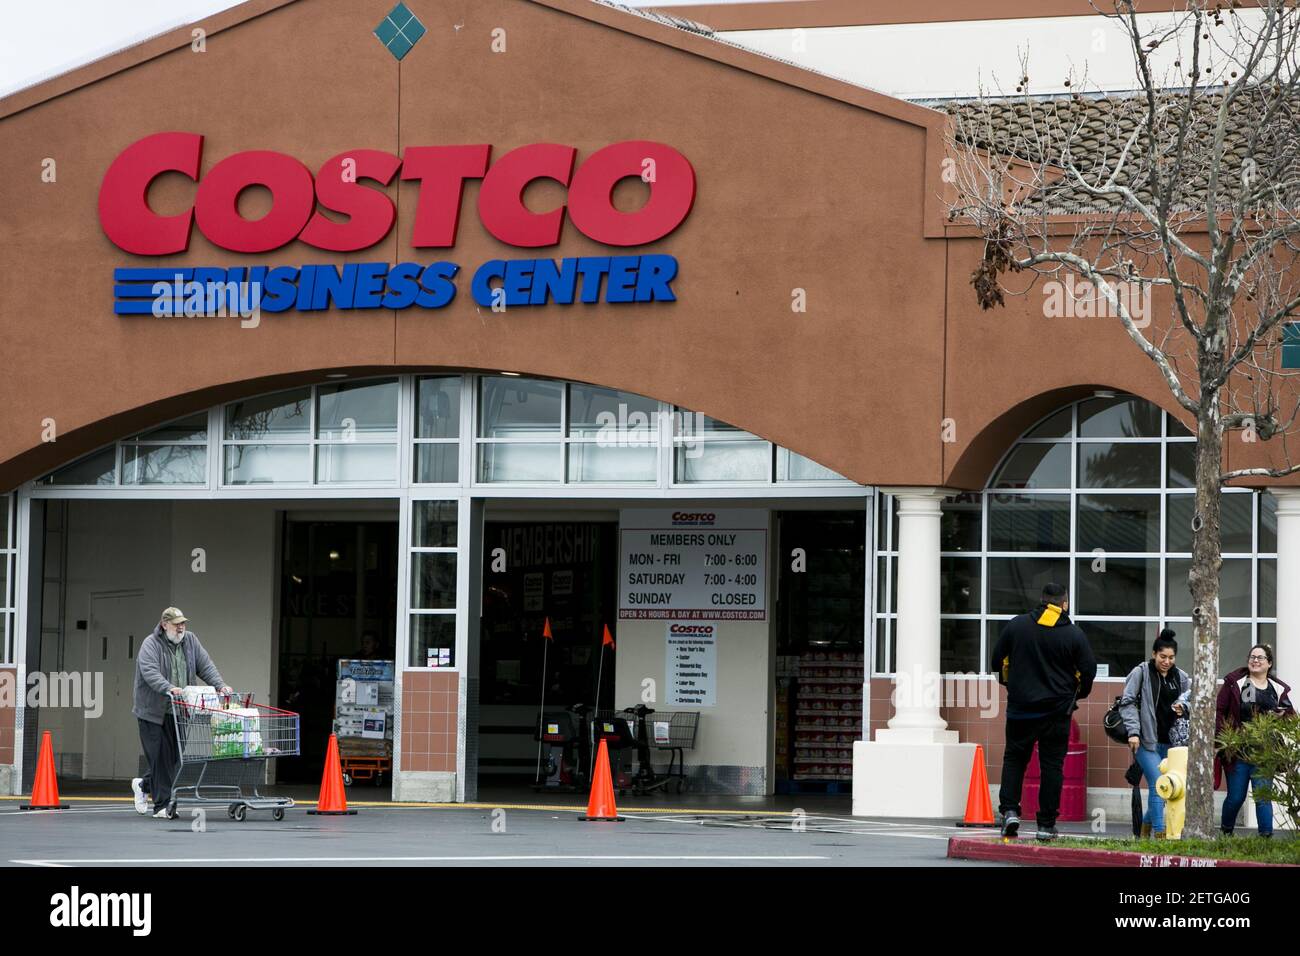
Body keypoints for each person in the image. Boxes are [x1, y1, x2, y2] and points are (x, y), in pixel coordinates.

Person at [991, 582, 1097, 841]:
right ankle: (1046, 825)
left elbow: (996, 661)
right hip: (1056, 713)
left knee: (1015, 759)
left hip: (1020, 711)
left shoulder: (1016, 625)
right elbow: (1089, 670)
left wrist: (1009, 684)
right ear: (1065, 604)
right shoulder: (1073, 635)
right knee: (1052, 767)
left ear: (1041, 600)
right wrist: (1077, 695)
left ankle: (1009, 812)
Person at [131, 607, 231, 819]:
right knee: (160, 757)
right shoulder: (151, 644)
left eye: (183, 623)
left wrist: (220, 686)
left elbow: (205, 666)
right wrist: (169, 687)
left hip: (179, 712)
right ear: (164, 624)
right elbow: (149, 671)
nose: (181, 627)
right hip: (152, 711)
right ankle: (161, 806)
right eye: (176, 624)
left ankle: (143, 785)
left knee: (174, 758)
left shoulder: (190, 641)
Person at [1216, 644, 1295, 837]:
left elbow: (1291, 717)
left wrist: (1280, 717)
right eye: (1252, 657)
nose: (1255, 660)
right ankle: (1225, 835)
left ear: (1269, 663)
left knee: (1263, 798)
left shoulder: (1277, 689)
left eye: (1260, 658)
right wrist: (1222, 738)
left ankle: (1265, 839)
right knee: (1235, 798)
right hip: (1238, 752)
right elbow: (1219, 710)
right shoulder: (1236, 682)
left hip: (1264, 753)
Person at [1119, 628, 1190, 839]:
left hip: (1172, 744)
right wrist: (1133, 731)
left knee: (1167, 788)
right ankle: (1160, 834)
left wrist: (1184, 707)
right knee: (1160, 783)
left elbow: (1192, 701)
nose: (1167, 661)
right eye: (1162, 657)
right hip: (1145, 742)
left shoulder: (1182, 677)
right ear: (1153, 654)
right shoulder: (1141, 672)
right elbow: (1127, 702)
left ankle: (1144, 829)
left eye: (1171, 657)